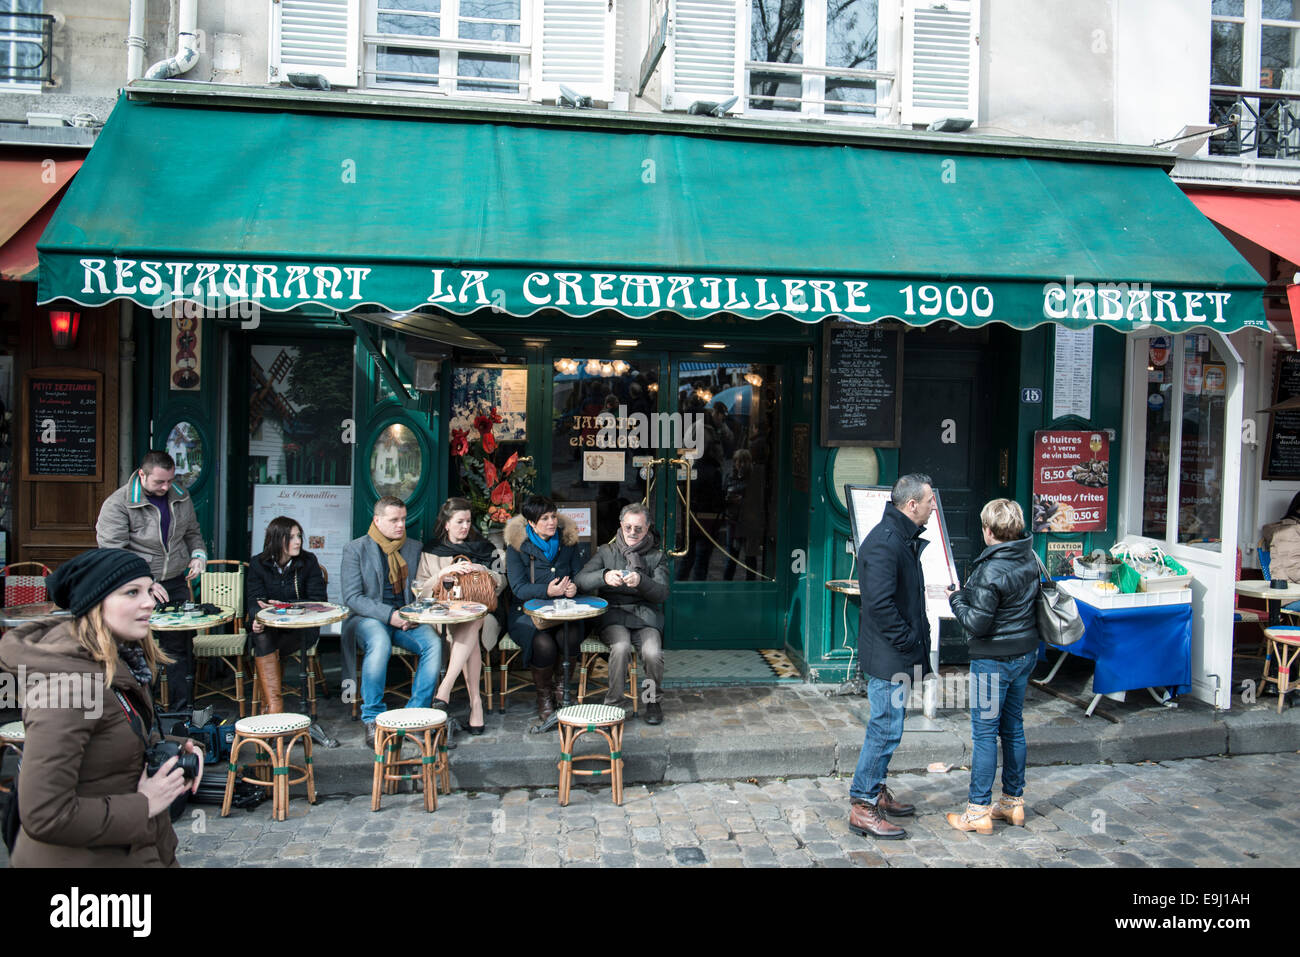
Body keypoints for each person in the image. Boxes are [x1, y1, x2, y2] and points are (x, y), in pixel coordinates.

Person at [0, 548, 204, 867]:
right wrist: (144, 804)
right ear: (95, 603)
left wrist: (171, 750)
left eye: (149, 590)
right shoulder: (71, 687)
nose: (150, 601)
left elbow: (110, 739)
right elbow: (44, 814)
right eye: (132, 592)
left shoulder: (116, 664)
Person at [847, 473, 936, 840]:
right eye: (930, 501)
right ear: (911, 504)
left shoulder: (901, 537)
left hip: (896, 654)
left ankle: (876, 790)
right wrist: (908, 640)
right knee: (885, 729)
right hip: (888, 656)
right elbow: (880, 605)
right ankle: (862, 805)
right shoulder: (885, 542)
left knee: (889, 728)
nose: (934, 507)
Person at [944, 499, 1041, 834]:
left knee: (985, 734)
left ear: (989, 530)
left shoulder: (990, 570)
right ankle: (1013, 804)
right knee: (1013, 728)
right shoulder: (1029, 556)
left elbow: (977, 625)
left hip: (993, 660)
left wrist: (955, 599)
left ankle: (977, 812)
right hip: (1025, 654)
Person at [96, 450, 207, 715]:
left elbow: (192, 533)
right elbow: (113, 552)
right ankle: (141, 711)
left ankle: (182, 711)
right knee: (136, 646)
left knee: (179, 648)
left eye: (170, 480)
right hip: (133, 587)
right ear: (142, 475)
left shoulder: (180, 496)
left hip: (175, 582)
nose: (166, 487)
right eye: (159, 482)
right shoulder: (118, 504)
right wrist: (145, 580)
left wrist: (198, 554)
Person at [341, 496, 444, 748]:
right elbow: (353, 598)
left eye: (403, 519)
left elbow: (419, 589)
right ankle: (372, 717)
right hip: (367, 619)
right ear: (377, 520)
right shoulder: (356, 549)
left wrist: (411, 615)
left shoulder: (413, 547)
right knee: (379, 640)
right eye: (394, 520)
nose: (401, 525)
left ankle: (415, 714)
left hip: (405, 618)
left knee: (433, 644)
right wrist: (390, 616)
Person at [414, 497, 506, 741]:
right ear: (446, 524)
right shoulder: (432, 551)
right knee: (468, 626)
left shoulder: (485, 547)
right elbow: (420, 590)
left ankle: (445, 687)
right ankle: (476, 703)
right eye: (459, 522)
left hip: (484, 614)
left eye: (468, 521)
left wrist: (482, 570)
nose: (465, 527)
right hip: (443, 615)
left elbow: (502, 581)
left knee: (474, 619)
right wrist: (443, 573)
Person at [246, 516, 338, 748]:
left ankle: (273, 711)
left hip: (302, 631)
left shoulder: (308, 562)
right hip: (271, 631)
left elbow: (319, 601)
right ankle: (276, 708)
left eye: (299, 536)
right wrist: (256, 618)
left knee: (264, 641)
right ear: (277, 540)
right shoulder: (258, 564)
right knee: (261, 633)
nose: (298, 542)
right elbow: (252, 600)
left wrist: (287, 607)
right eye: (292, 537)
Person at [575, 502, 670, 724]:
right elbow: (580, 580)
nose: (633, 533)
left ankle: (652, 701)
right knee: (620, 647)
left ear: (647, 528)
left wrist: (641, 581)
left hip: (645, 616)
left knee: (652, 653)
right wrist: (604, 576)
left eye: (639, 528)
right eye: (628, 527)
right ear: (621, 525)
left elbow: (662, 593)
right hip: (613, 615)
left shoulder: (656, 557)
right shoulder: (607, 552)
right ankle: (614, 704)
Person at [504, 495, 583, 723]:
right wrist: (547, 591)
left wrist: (573, 588)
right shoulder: (517, 548)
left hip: (564, 610)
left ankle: (562, 686)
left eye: (553, 516)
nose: (551, 522)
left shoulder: (568, 542)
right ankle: (545, 696)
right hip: (528, 614)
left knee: (571, 635)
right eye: (544, 518)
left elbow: (578, 574)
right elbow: (518, 588)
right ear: (531, 522)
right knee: (543, 643)